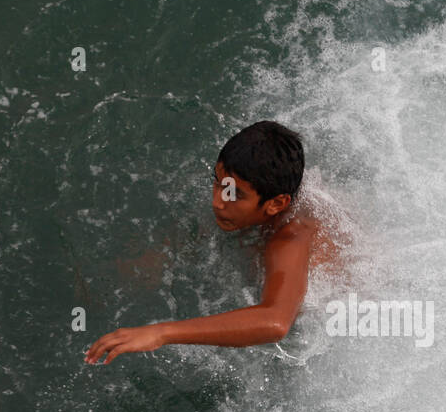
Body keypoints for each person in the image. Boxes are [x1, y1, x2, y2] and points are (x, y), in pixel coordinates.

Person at [84, 120, 338, 365]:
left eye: (234, 194)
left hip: (326, 326)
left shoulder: (289, 238)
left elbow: (276, 322)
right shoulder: (269, 187)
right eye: (217, 182)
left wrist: (161, 333)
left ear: (276, 204)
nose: (217, 201)